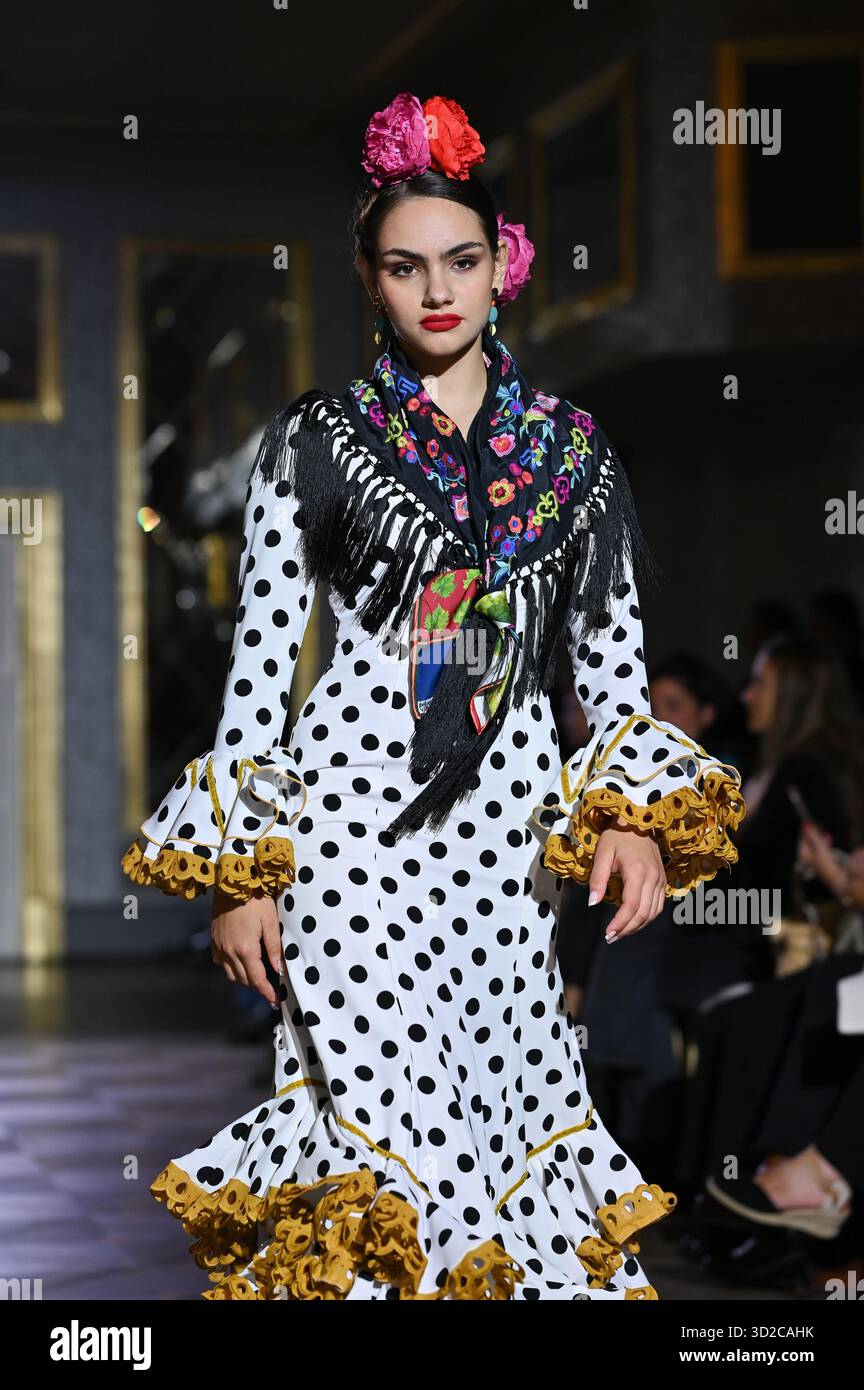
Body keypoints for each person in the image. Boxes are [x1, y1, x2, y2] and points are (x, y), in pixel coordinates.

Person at [121, 92, 745, 1301]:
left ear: (504, 264)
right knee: (381, 1148)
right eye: (405, 266)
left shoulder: (574, 453)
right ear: (369, 275)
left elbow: (607, 666)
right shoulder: (314, 441)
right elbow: (258, 679)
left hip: (511, 848)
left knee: (501, 1146)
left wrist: (626, 817)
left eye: (460, 260)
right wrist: (246, 876)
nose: (436, 290)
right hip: (349, 833)